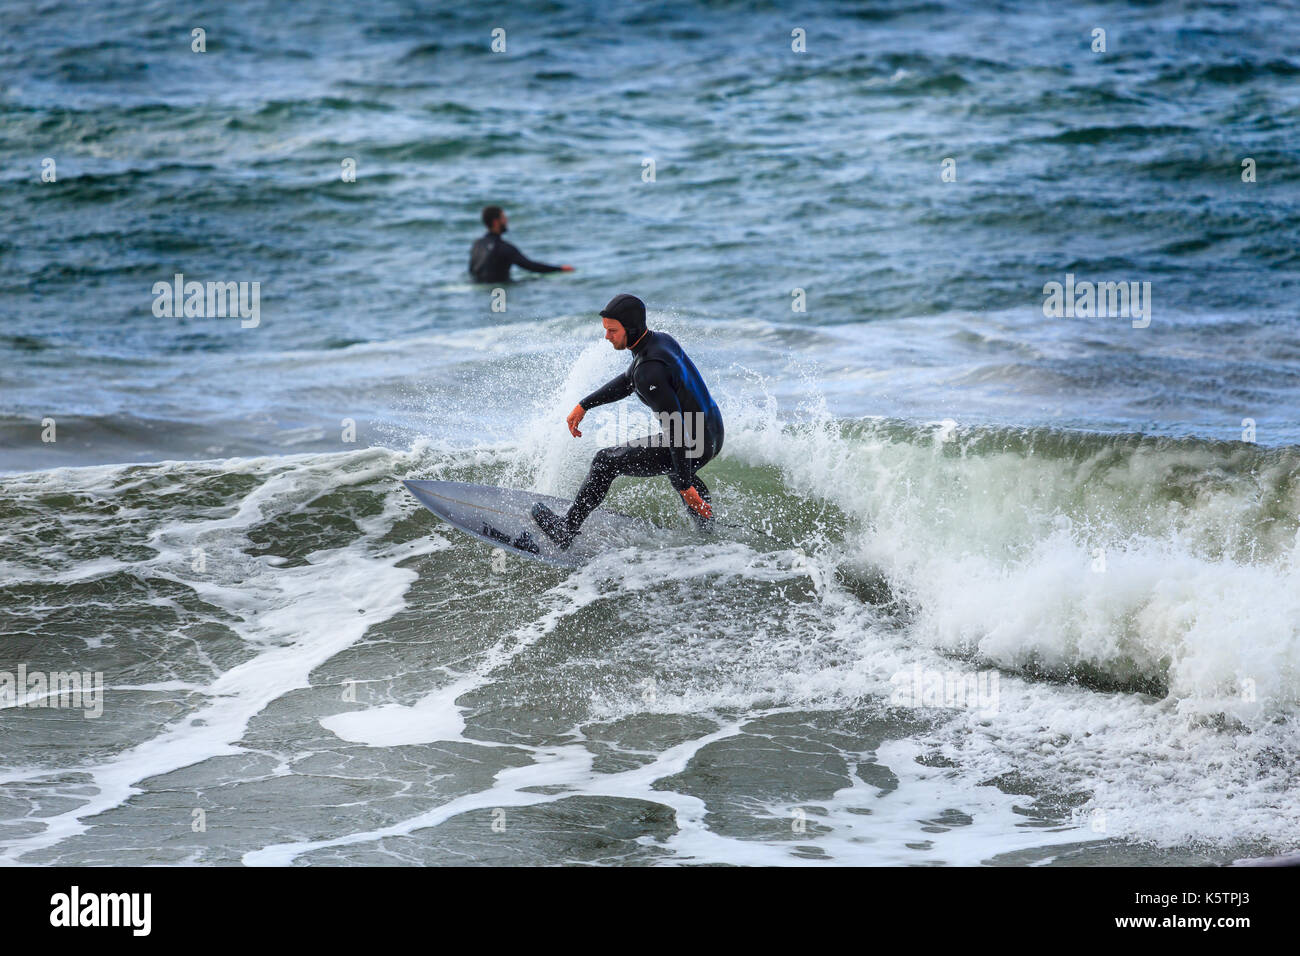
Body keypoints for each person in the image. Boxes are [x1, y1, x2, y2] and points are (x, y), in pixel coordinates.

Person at [531, 294, 723, 550]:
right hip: (712, 432)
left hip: (692, 440)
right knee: (677, 470)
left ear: (631, 329)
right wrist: (585, 404)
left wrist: (686, 486)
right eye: (606, 330)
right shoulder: (659, 341)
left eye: (612, 331)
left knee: (605, 462)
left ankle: (566, 529)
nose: (607, 337)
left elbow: (674, 427)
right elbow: (628, 380)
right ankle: (707, 529)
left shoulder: (649, 370)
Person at [469, 206, 574, 282]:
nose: (506, 221)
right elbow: (530, 266)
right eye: (503, 218)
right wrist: (560, 269)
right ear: (496, 222)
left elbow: (472, 270)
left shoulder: (477, 244)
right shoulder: (504, 248)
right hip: (498, 288)